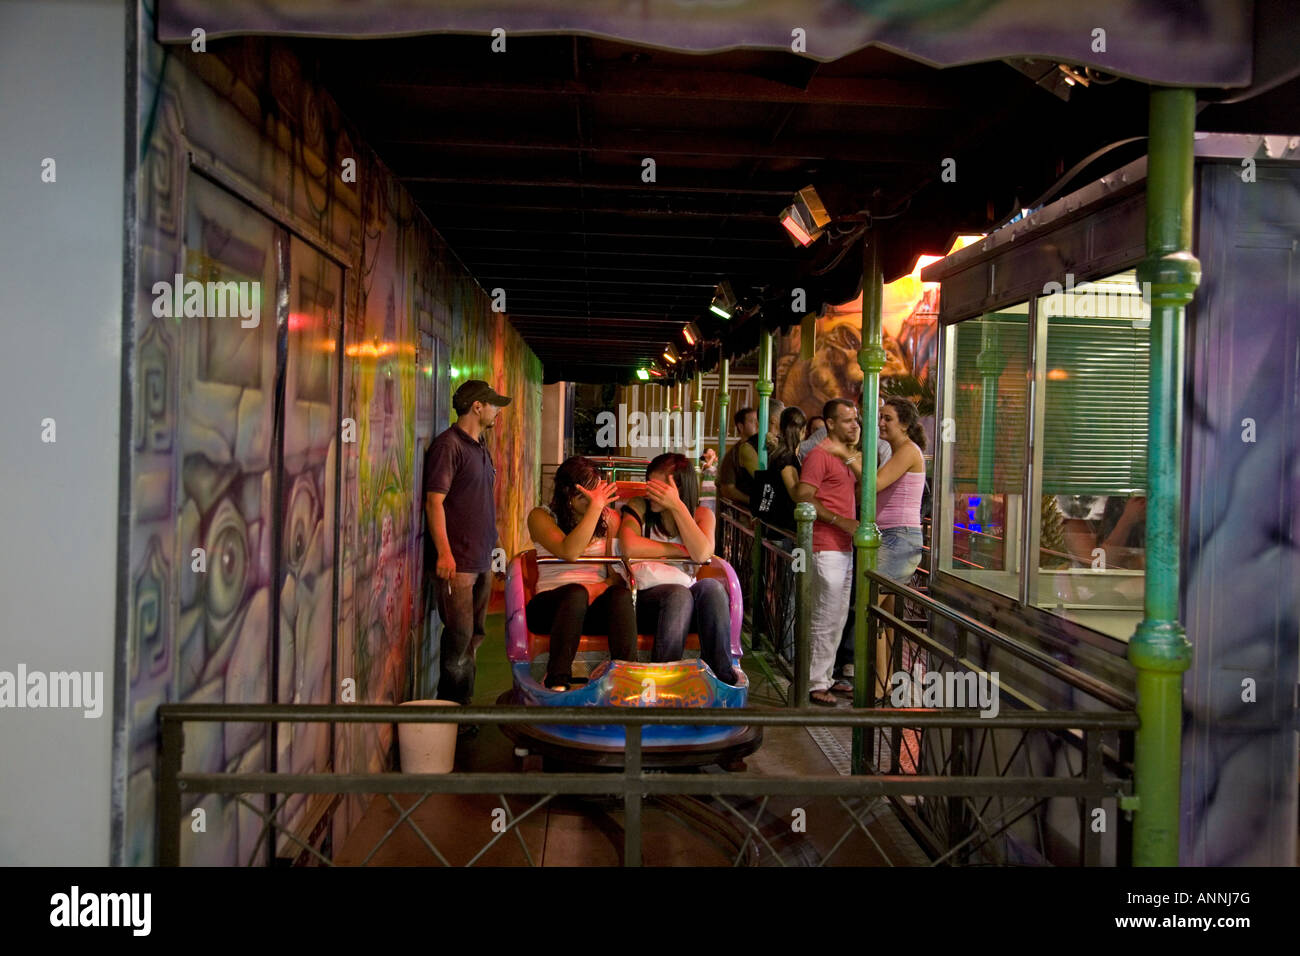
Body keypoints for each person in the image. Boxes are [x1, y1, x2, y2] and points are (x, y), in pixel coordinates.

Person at [424, 379, 509, 708]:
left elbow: (483, 503)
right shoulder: (450, 446)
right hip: (458, 563)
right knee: (458, 640)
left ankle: (464, 707)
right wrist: (445, 553)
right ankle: (452, 715)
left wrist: (497, 548)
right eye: (493, 405)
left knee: (474, 635)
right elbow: (435, 502)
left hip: (482, 559)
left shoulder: (480, 446)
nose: (497, 411)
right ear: (477, 406)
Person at [618, 453, 738, 685]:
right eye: (649, 485)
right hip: (644, 602)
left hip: (687, 604)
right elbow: (629, 546)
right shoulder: (639, 507)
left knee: (712, 588)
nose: (650, 492)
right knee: (678, 595)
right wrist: (682, 550)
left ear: (678, 488)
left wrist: (677, 507)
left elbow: (703, 554)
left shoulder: (701, 515)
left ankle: (721, 679)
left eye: (659, 487)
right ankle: (662, 681)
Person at [526, 457, 637, 691]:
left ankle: (627, 679)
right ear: (569, 494)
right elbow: (570, 551)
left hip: (591, 605)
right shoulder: (541, 517)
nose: (596, 498)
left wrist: (595, 588)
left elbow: (616, 575)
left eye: (598, 490)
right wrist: (596, 509)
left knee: (619, 595)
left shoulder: (609, 520)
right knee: (575, 593)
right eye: (590, 491)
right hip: (550, 606)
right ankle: (557, 681)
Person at [794, 398, 862, 705]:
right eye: (847, 420)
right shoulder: (819, 456)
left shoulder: (843, 457)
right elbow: (804, 497)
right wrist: (841, 521)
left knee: (836, 617)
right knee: (824, 616)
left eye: (855, 419)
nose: (854, 425)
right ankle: (812, 682)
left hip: (842, 547)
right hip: (825, 545)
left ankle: (824, 676)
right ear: (830, 424)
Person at [872, 397, 927, 698]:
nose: (881, 423)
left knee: (872, 610)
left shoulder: (906, 450)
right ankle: (887, 681)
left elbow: (876, 484)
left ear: (904, 424)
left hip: (898, 539)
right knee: (887, 615)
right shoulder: (898, 451)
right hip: (895, 537)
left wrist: (850, 459)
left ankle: (880, 686)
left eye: (887, 418)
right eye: (880, 417)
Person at [717, 406, 757, 506]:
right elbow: (727, 489)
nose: (757, 425)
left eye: (758, 421)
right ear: (741, 426)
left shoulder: (764, 448)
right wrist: (751, 500)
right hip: (746, 512)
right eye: (752, 421)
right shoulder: (732, 455)